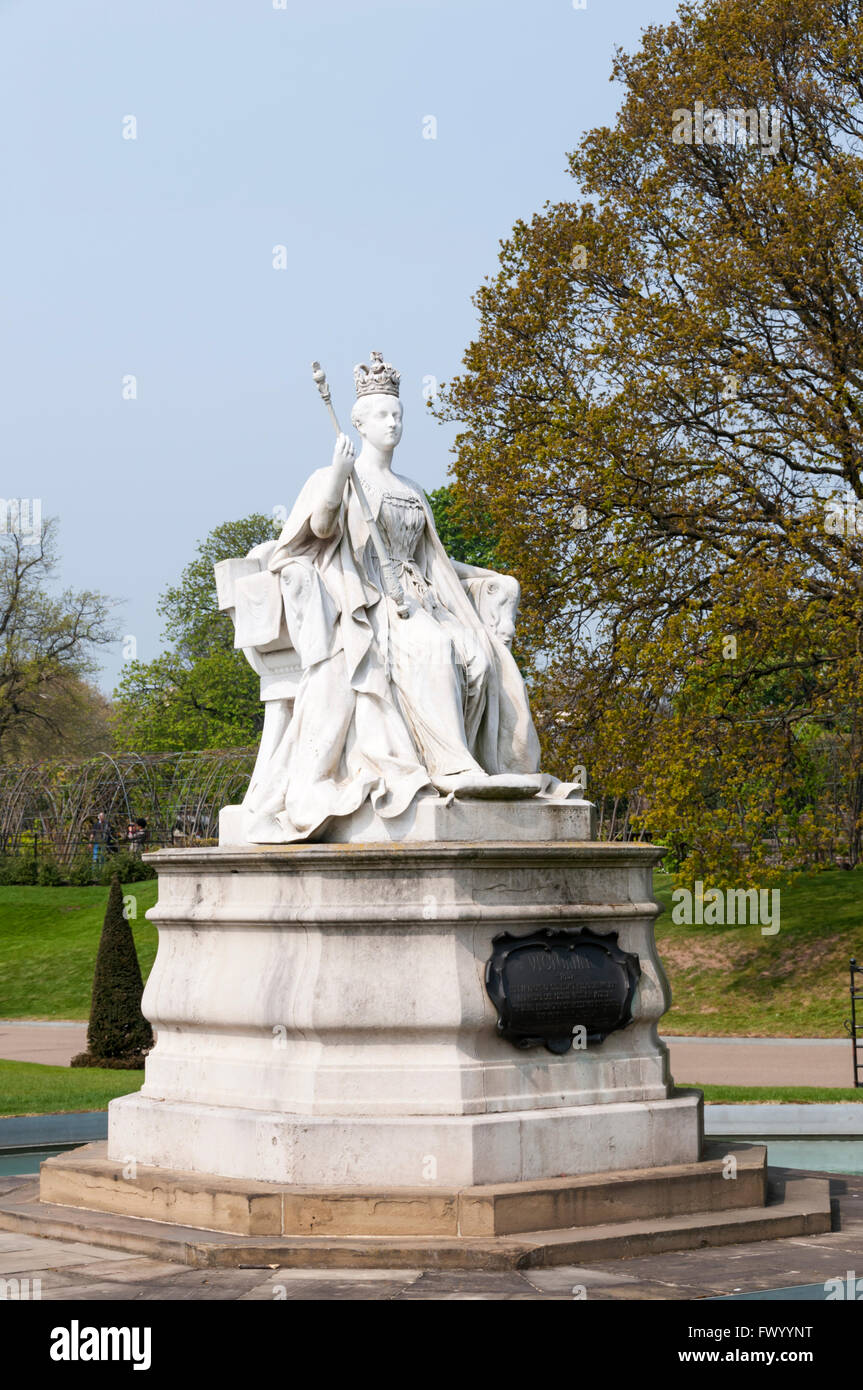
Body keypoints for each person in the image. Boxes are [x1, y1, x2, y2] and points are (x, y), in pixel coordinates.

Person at [242, 351, 542, 843]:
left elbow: (438, 562)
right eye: (382, 415)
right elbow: (319, 529)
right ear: (358, 422)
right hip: (372, 602)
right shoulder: (335, 478)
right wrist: (339, 474)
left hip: (423, 597)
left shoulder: (412, 490)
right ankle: (450, 765)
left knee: (478, 654)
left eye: (398, 415)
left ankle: (492, 762)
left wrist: (497, 581)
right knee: (435, 649)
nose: (393, 423)